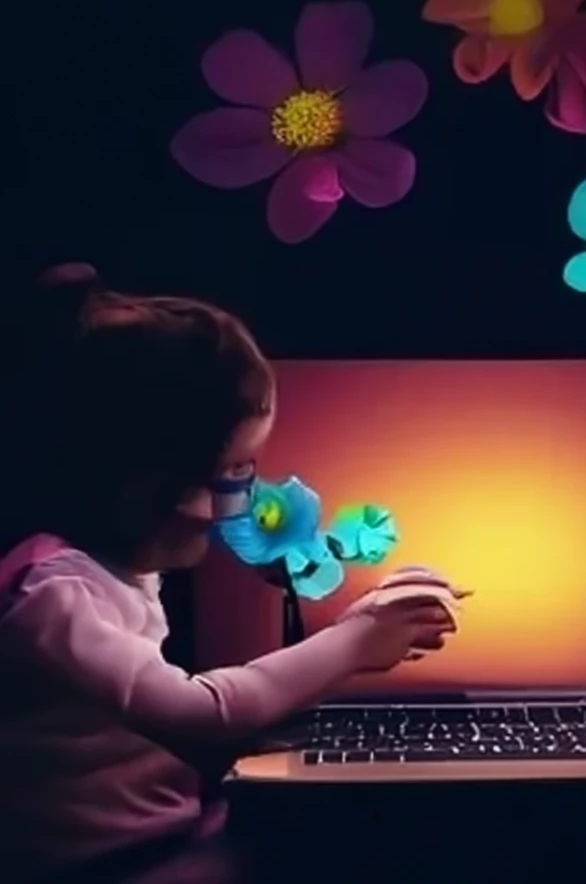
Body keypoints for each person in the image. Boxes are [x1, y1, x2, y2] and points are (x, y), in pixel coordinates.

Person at [0, 264, 463, 883]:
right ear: (148, 484)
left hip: (178, 835)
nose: (239, 505)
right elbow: (202, 716)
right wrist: (352, 644)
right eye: (237, 471)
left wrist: (362, 622)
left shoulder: (114, 571)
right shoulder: (50, 595)